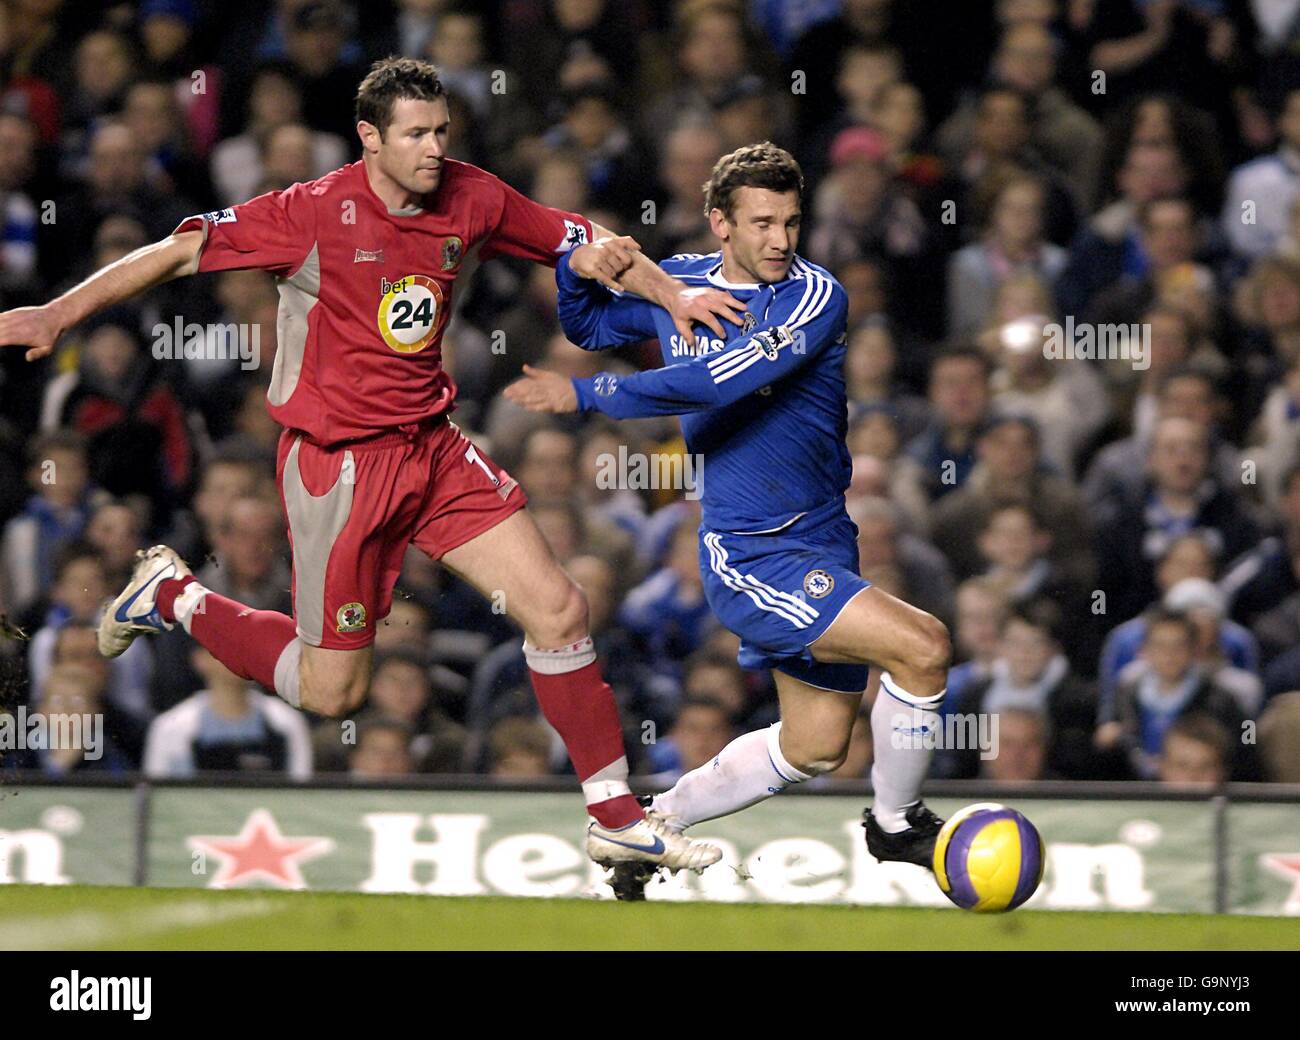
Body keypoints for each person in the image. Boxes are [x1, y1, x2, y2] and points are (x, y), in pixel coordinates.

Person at [0, 57, 737, 878]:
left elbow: (582, 236)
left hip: (434, 448)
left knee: (559, 609)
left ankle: (615, 815)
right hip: (338, 471)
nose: (432, 149)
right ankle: (173, 594)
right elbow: (176, 255)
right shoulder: (307, 214)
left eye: (441, 132)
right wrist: (59, 311)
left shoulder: (472, 193)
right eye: (415, 134)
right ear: (369, 137)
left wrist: (673, 297)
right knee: (332, 694)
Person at [505, 141, 952, 898]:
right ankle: (897, 823)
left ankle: (643, 829)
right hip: (752, 553)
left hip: (821, 540)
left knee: (814, 748)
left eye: (791, 222)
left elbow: (720, 379)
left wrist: (588, 397)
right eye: (762, 222)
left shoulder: (817, 296)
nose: (781, 240)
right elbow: (588, 329)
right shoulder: (673, 282)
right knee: (924, 647)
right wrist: (579, 268)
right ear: (720, 223)